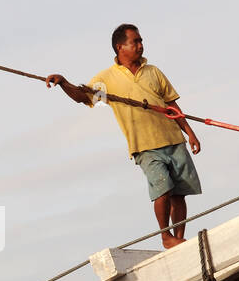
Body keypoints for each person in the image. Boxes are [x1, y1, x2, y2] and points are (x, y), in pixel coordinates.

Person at [47, 24, 202, 249]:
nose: (140, 45)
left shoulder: (153, 71)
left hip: (173, 138)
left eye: (141, 41)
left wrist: (190, 133)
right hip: (145, 145)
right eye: (135, 41)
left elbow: (171, 104)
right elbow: (84, 97)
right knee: (163, 188)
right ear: (121, 47)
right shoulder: (108, 79)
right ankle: (166, 236)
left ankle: (179, 238)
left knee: (180, 193)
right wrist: (63, 82)